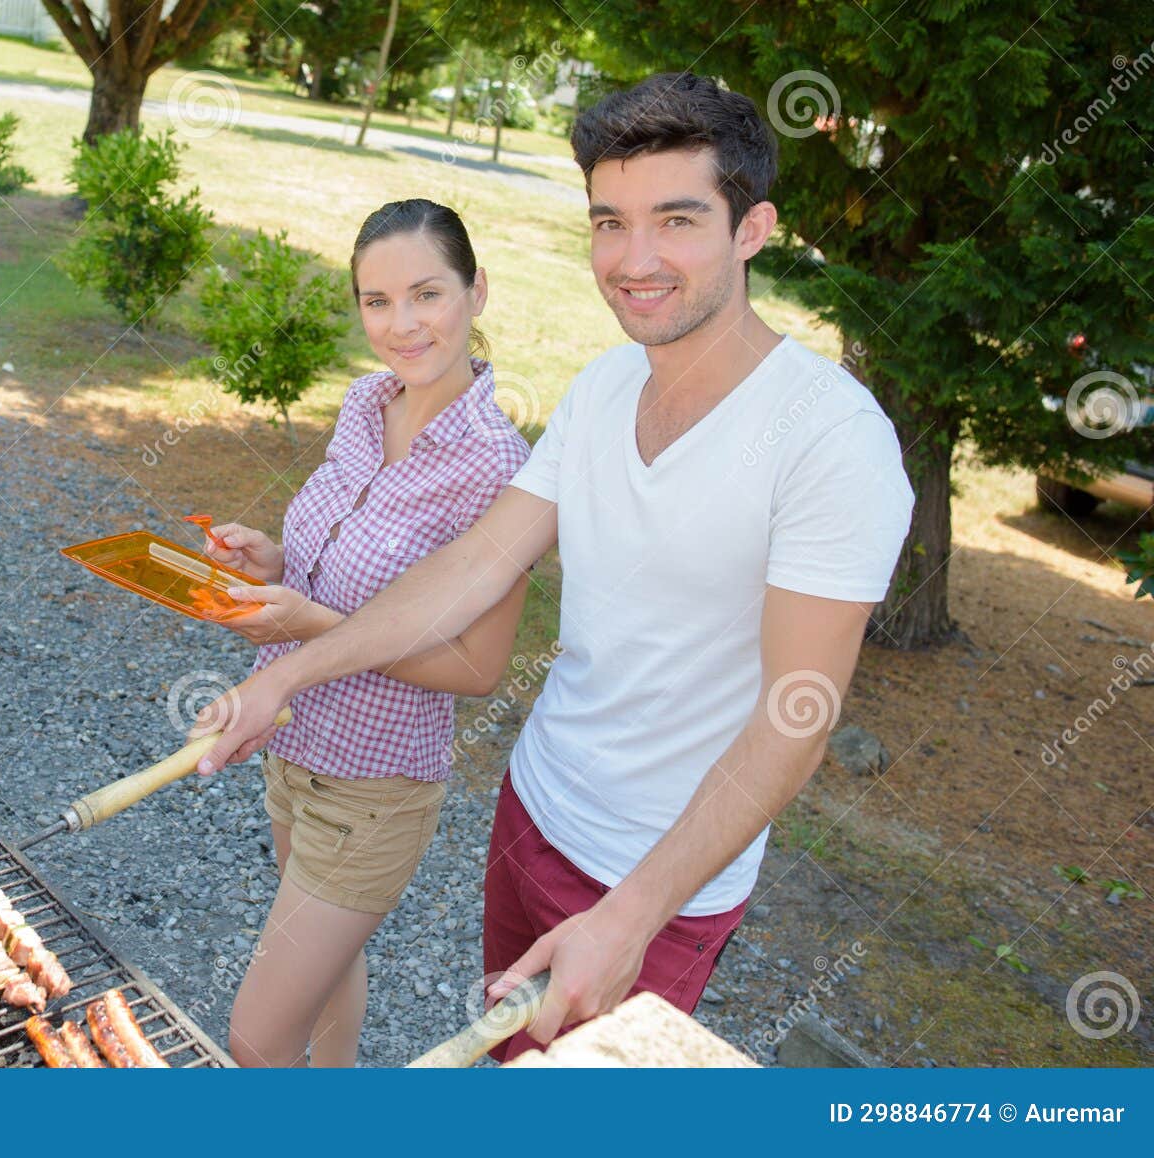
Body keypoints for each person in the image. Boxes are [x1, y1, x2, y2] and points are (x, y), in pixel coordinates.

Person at [192, 72, 915, 1061]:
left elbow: (797, 716)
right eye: (608, 223)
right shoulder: (605, 384)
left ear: (752, 231)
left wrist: (633, 916)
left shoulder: (832, 441)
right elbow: (474, 564)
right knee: (503, 1069)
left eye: (675, 220)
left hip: (654, 884)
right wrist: (286, 673)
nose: (634, 259)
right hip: (533, 812)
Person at [202, 199, 532, 1067]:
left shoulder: (499, 465)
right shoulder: (362, 404)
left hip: (374, 791)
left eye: (426, 294)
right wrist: (273, 562)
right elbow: (340, 556)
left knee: (254, 1034)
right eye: (376, 301)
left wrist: (313, 623)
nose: (402, 324)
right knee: (323, 976)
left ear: (477, 291)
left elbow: (481, 668)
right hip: (291, 745)